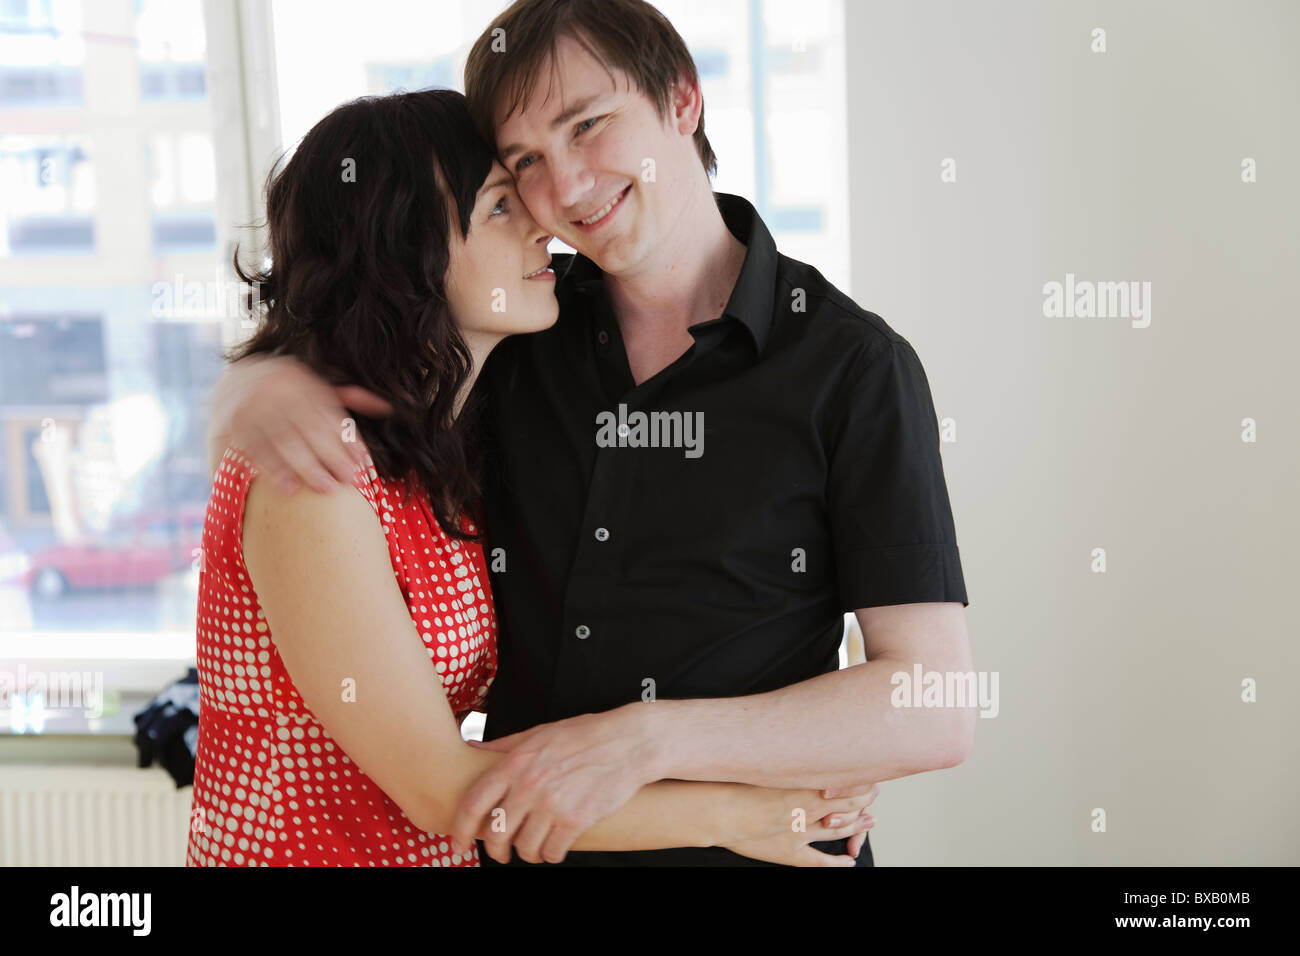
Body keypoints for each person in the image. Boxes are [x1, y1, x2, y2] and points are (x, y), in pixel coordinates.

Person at [208, 0, 973, 868]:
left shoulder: (851, 366)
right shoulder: (515, 323)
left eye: (589, 125)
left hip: (765, 856)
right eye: (525, 161)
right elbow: (367, 322)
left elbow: (934, 702)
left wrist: (645, 742)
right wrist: (254, 381)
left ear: (682, 100)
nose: (564, 188)